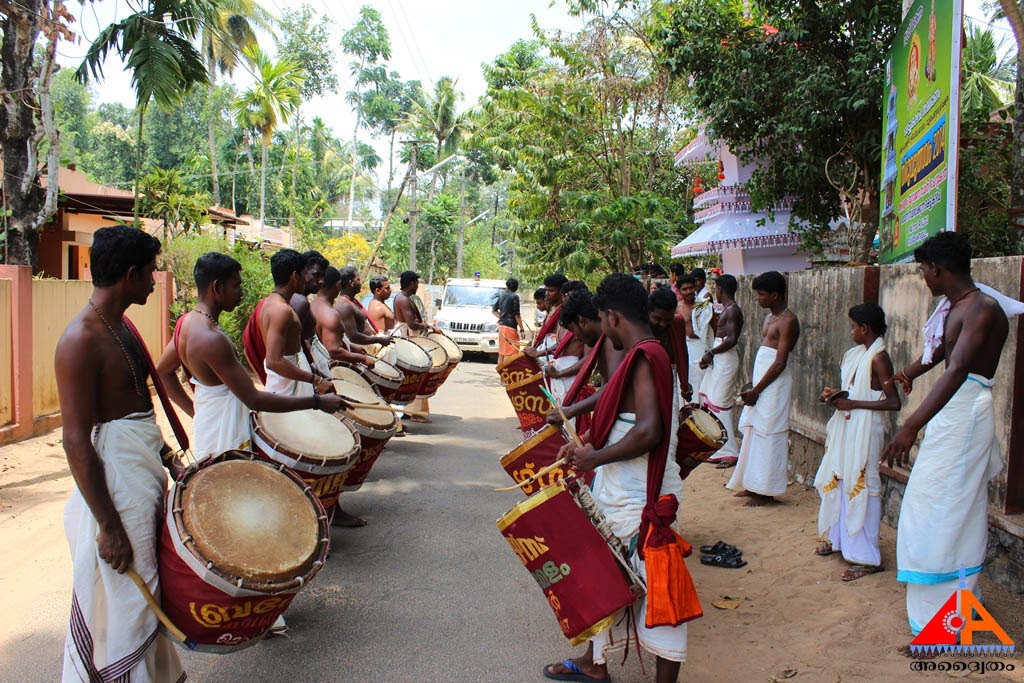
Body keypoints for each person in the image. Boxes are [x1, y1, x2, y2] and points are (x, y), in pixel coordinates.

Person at [544, 273, 696, 683]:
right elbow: (622, 417)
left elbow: (648, 431)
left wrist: (594, 457)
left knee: (659, 594)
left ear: (611, 317)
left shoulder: (648, 356)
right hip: (621, 493)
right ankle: (597, 665)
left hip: (639, 499)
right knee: (608, 581)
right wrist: (588, 444)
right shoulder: (639, 354)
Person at [56, 225, 185, 682]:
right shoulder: (80, 340)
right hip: (117, 493)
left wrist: (166, 453)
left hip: (140, 475)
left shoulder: (122, 325)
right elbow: (76, 442)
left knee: (147, 597)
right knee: (133, 599)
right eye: (151, 272)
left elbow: (135, 406)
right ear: (131, 275)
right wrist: (108, 527)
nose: (155, 280)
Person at [881, 232, 1008, 645]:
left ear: (938, 268)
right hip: (952, 415)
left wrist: (910, 425)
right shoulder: (953, 307)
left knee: (946, 509)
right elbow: (939, 354)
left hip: (965, 413)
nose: (923, 276)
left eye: (923, 269)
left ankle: (950, 622)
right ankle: (943, 613)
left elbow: (956, 371)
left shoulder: (982, 309)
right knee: (937, 506)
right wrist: (908, 374)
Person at [156, 253, 347, 461]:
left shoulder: (187, 323)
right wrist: (317, 402)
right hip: (224, 434)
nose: (241, 292)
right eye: (236, 286)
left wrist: (196, 413)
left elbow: (163, 372)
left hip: (209, 424)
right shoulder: (211, 338)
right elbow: (254, 399)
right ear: (217, 287)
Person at [813, 303, 900, 581]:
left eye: (853, 326)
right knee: (841, 478)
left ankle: (867, 557)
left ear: (865, 328)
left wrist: (852, 403)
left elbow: (893, 402)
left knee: (863, 483)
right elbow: (857, 390)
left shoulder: (879, 358)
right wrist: (836, 396)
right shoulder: (857, 355)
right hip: (850, 425)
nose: (850, 331)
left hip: (867, 430)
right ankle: (841, 541)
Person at [726, 271, 800, 507]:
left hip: (774, 385)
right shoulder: (770, 318)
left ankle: (766, 491)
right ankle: (752, 483)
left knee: (770, 432)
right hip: (762, 380)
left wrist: (757, 389)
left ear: (776, 295)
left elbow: (780, 362)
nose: (758, 298)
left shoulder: (788, 321)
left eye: (762, 294)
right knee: (754, 431)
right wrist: (754, 384)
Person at [544, 291, 625, 430]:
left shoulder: (611, 342)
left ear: (581, 321)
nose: (576, 336)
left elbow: (612, 387)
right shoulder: (603, 341)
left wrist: (570, 410)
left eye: (573, 330)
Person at [258, 249, 334, 397]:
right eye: (305, 274)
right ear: (295, 276)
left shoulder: (273, 303)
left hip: (288, 380)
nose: (306, 280)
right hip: (286, 386)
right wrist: (316, 380)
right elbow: (274, 361)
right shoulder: (281, 310)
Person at [697, 274, 744, 467]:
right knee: (710, 400)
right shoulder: (727, 310)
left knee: (719, 403)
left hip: (725, 360)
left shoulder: (733, 310)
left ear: (721, 289)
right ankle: (718, 448)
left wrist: (711, 353)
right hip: (720, 359)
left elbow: (731, 340)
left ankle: (729, 451)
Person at [310, 266, 378, 375]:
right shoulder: (330, 314)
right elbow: (333, 351)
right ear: (337, 285)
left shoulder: (312, 305)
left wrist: (352, 347)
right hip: (335, 371)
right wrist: (362, 358)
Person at [394, 270, 440, 422]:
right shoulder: (403, 300)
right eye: (417, 283)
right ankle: (416, 413)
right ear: (411, 283)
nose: (417, 287)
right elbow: (411, 323)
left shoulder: (404, 298)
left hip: (411, 336)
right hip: (410, 338)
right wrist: (430, 327)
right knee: (420, 374)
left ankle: (411, 410)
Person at [648, 286, 692, 404]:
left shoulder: (677, 323)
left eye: (668, 319)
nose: (663, 324)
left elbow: (682, 353)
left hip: (668, 379)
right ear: (648, 312)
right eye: (658, 319)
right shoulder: (640, 326)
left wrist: (684, 383)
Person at [335, 266, 394, 347]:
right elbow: (353, 337)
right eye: (358, 280)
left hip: (372, 344)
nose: (360, 283)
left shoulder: (353, 301)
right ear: (351, 283)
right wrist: (379, 340)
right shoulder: (344, 305)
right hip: (365, 349)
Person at [675, 275, 708, 394]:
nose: (688, 292)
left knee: (703, 386)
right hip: (686, 349)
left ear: (695, 288)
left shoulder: (704, 305)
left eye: (691, 288)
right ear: (679, 291)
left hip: (702, 348)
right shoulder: (677, 308)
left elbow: (714, 327)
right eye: (685, 289)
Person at [524, 273, 568, 359]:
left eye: (551, 291)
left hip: (554, 357)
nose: (546, 294)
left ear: (561, 292)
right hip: (545, 352)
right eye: (546, 290)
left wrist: (539, 353)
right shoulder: (552, 308)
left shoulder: (564, 312)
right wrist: (535, 343)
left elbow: (563, 342)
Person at [494, 277, 525, 362]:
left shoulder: (501, 296)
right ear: (516, 287)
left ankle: (501, 373)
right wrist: (522, 329)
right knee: (511, 351)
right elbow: (517, 315)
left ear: (507, 286)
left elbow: (494, 310)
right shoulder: (515, 297)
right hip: (510, 328)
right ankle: (506, 372)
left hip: (501, 327)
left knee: (502, 352)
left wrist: (502, 317)